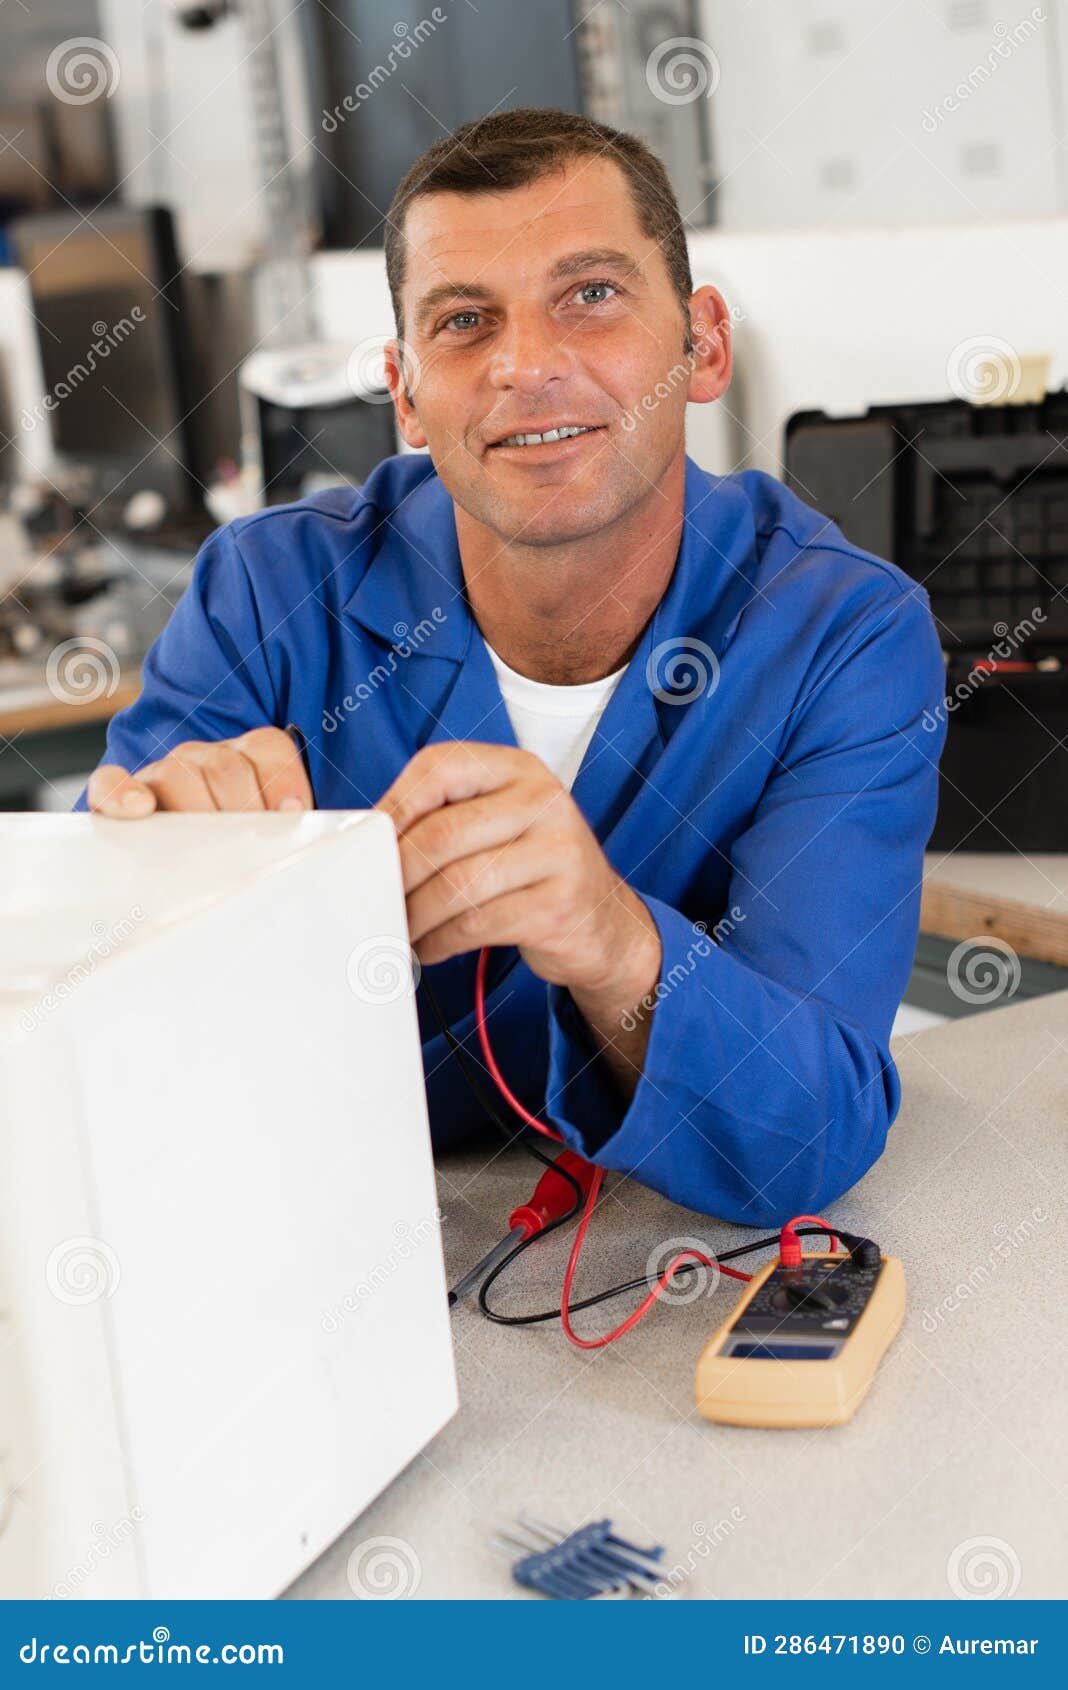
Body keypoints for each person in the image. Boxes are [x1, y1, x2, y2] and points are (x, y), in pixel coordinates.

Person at [82, 108, 946, 1225]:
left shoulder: (841, 637)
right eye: (463, 321)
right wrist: (168, 885)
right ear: (403, 393)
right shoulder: (264, 592)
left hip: (641, 1269)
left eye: (590, 295)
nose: (526, 365)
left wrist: (611, 940)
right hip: (324, 1249)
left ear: (704, 345)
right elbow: (104, 1049)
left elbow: (808, 1134)